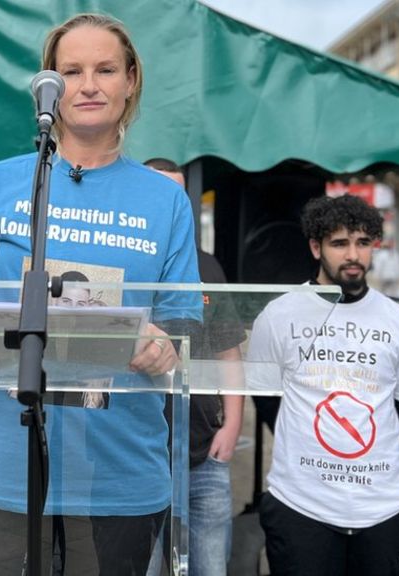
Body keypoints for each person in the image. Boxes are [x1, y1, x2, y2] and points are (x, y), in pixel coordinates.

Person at [0, 13, 201, 574]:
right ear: (49, 86)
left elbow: (186, 324)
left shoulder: (165, 200)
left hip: (119, 472)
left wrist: (166, 344)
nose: (88, 85)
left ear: (131, 80)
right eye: (71, 71)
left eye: (105, 69)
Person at [247, 194, 399, 575]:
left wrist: (361, 435)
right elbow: (265, 396)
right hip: (300, 505)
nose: (353, 255)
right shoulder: (279, 314)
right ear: (316, 247)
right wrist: (312, 439)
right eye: (339, 243)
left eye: (363, 243)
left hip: (384, 507)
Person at [144, 158, 245, 576]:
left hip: (205, 454)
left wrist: (233, 425)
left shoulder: (207, 267)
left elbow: (229, 354)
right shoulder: (129, 264)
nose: (174, 204)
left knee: (209, 568)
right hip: (139, 456)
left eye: (180, 195)